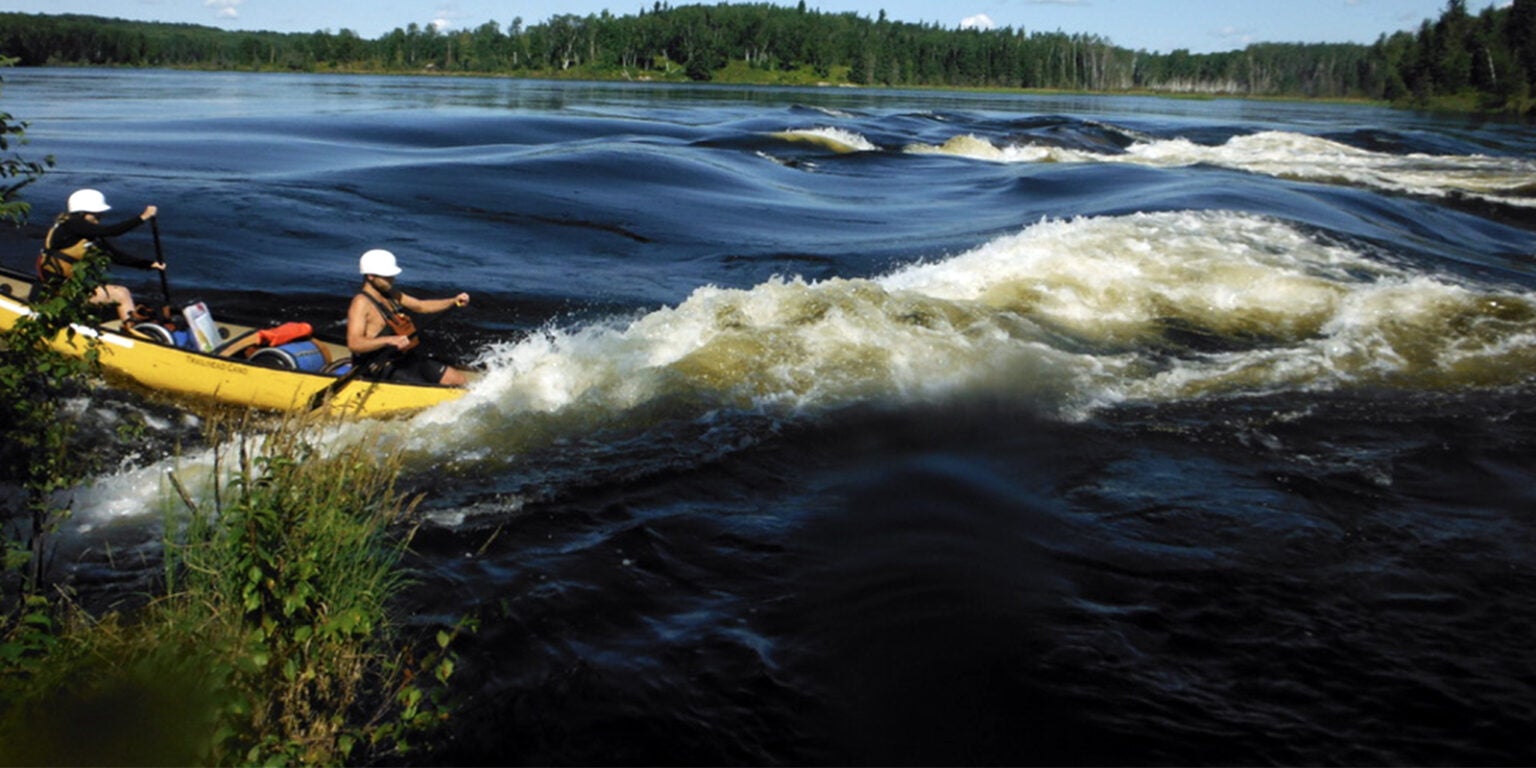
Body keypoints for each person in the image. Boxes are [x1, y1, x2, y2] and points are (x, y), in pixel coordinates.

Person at [346, 248, 471, 387]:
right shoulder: (361, 303)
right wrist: (390, 340)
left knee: (459, 381)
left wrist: (453, 301)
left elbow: (421, 306)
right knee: (431, 392)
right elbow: (354, 344)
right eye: (387, 276)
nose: (392, 279)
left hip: (404, 359)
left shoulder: (391, 293)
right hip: (379, 366)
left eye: (392, 275)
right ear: (370, 276)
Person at [37, 188, 162, 324]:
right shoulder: (72, 224)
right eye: (97, 215)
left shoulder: (83, 233)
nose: (98, 220)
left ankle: (133, 329)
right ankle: (132, 333)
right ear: (82, 212)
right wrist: (142, 217)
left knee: (122, 292)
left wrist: (148, 264)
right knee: (121, 294)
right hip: (58, 292)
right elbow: (110, 231)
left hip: (68, 288)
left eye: (101, 216)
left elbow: (114, 256)